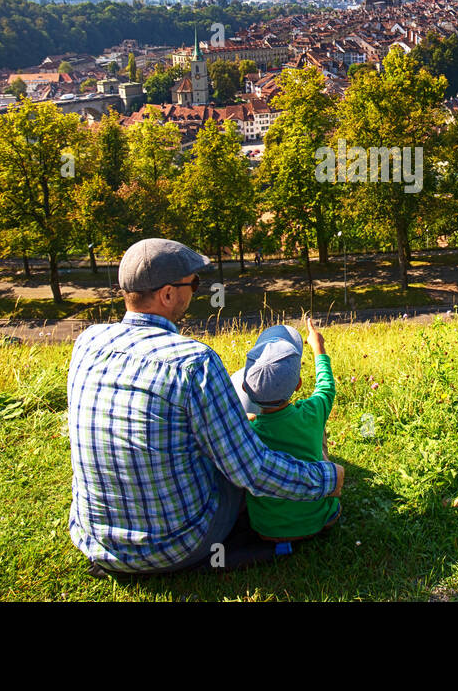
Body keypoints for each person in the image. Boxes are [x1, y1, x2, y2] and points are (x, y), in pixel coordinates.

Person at [67, 238, 344, 577]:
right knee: (239, 400)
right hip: (176, 543)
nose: (196, 291)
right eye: (193, 284)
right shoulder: (193, 362)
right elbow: (252, 470)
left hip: (97, 540)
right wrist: (326, 478)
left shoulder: (87, 342)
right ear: (168, 294)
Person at [231, 319, 340, 542]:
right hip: (320, 521)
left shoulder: (247, 432)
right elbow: (326, 386)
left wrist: (246, 420)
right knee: (319, 435)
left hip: (266, 530)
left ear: (244, 387)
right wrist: (318, 348)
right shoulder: (311, 412)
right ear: (299, 384)